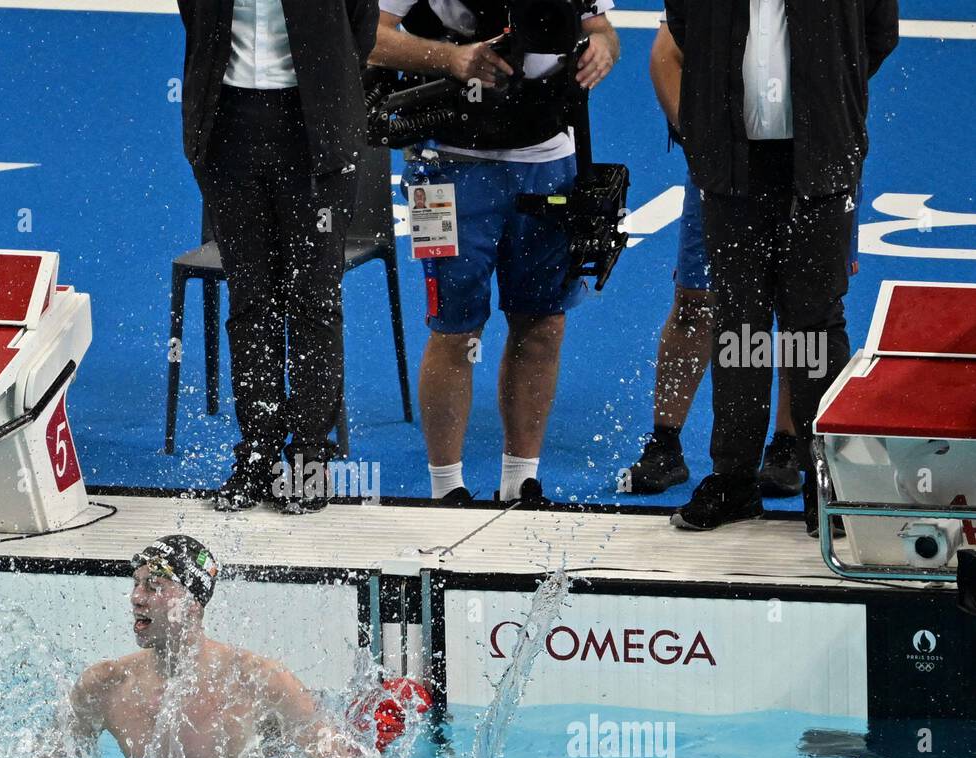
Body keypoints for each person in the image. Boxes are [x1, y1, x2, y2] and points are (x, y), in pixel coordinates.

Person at [370, 0, 620, 509]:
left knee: (543, 323)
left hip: (551, 162)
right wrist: (453, 59)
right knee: (455, 331)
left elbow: (600, 27)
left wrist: (603, 48)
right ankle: (447, 489)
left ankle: (521, 481)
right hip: (445, 167)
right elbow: (370, 37)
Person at [664, 0, 898, 536]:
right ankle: (734, 479)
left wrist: (829, 87)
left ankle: (827, 486)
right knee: (740, 323)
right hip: (732, 158)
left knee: (813, 323)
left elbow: (878, 35)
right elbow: (685, 27)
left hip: (821, 157)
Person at [177, 0, 380, 515]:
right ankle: (259, 455)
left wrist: (322, 88)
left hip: (318, 134)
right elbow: (196, 19)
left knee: (313, 298)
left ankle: (310, 459)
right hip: (227, 130)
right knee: (250, 298)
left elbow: (361, 29)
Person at [67, 535, 371, 758]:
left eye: (154, 587)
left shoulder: (258, 681)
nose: (136, 598)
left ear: (193, 601)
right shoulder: (106, 684)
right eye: (137, 584)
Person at [621, 19, 804, 498]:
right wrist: (700, 137)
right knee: (695, 302)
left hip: (808, 165)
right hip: (725, 168)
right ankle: (665, 443)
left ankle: (786, 443)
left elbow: (869, 45)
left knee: (798, 307)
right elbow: (666, 53)